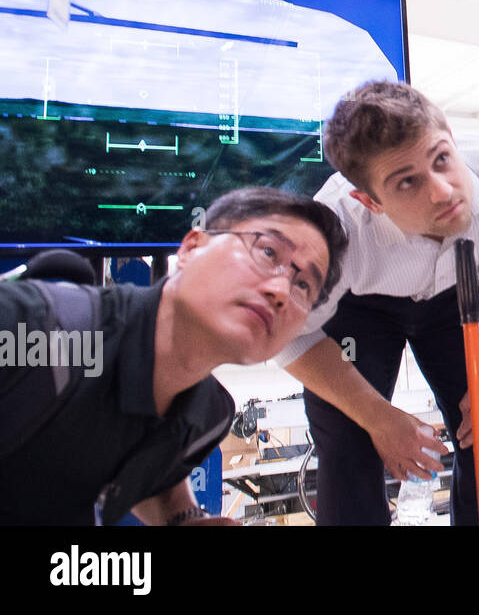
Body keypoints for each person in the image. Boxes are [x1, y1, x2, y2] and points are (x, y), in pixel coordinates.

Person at [276, 81, 479, 526]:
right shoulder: (333, 230)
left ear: (452, 140)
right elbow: (288, 336)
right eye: (406, 182)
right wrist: (378, 417)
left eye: (441, 159)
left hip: (464, 287)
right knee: (350, 442)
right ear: (369, 200)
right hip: (359, 305)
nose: (442, 191)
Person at [0, 186, 347, 525]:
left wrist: (185, 518)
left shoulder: (208, 417)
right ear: (191, 248)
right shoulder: (34, 334)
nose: (281, 290)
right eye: (269, 252)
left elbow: (145, 466)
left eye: (304, 286)